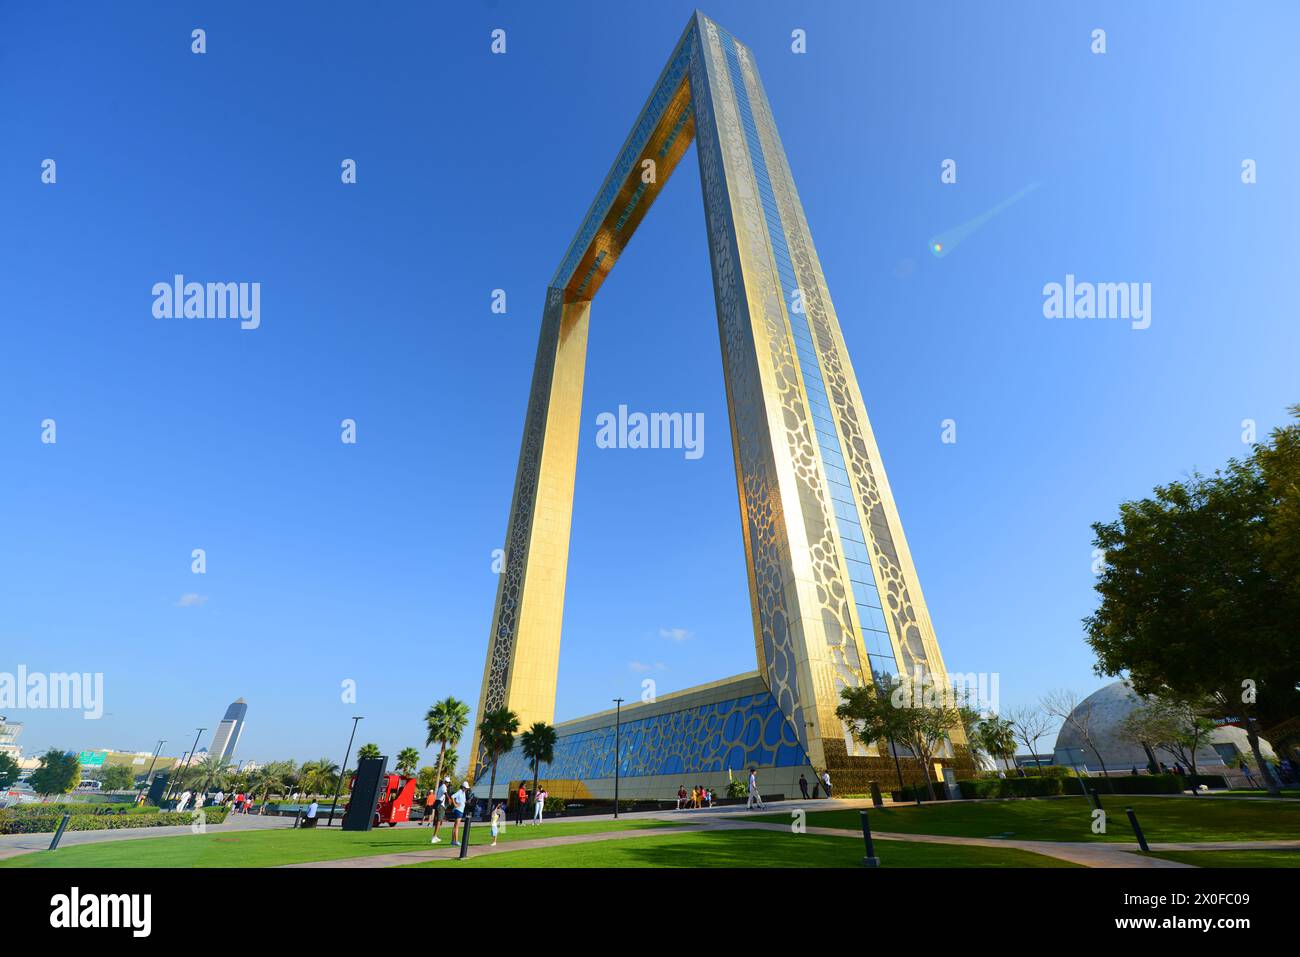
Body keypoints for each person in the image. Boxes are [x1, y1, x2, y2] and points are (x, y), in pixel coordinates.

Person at [449, 781, 469, 846]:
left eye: (467, 788)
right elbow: (452, 796)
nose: (466, 789)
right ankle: (456, 841)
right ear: (463, 787)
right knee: (457, 826)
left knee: (455, 826)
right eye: (465, 788)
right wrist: (455, 804)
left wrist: (466, 802)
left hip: (460, 810)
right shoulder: (460, 791)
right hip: (458, 810)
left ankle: (452, 841)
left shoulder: (463, 793)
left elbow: (463, 801)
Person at [430, 776, 450, 844]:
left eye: (448, 782)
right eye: (447, 782)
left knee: (439, 821)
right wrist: (449, 799)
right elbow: (445, 793)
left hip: (439, 804)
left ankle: (435, 836)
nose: (447, 783)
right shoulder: (444, 786)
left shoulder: (442, 786)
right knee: (439, 821)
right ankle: (434, 836)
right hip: (440, 806)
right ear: (445, 782)